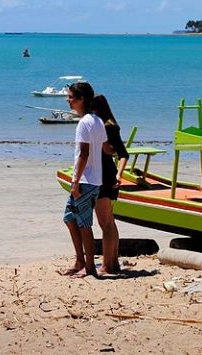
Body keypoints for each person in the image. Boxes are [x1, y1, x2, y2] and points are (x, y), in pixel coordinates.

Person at [61, 81, 107, 278]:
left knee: (84, 224)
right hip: (92, 179)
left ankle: (89, 267)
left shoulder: (85, 123)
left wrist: (75, 181)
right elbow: (105, 147)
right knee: (69, 218)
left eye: (71, 97)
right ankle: (80, 260)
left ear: (81, 99)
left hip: (86, 181)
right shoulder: (97, 121)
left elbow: (84, 154)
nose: (68, 101)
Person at [91, 94, 129, 274]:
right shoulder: (111, 125)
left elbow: (122, 153)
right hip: (110, 175)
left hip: (103, 177)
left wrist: (119, 174)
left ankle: (108, 265)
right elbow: (123, 154)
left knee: (105, 222)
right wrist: (119, 174)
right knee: (110, 221)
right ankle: (113, 262)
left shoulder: (106, 127)